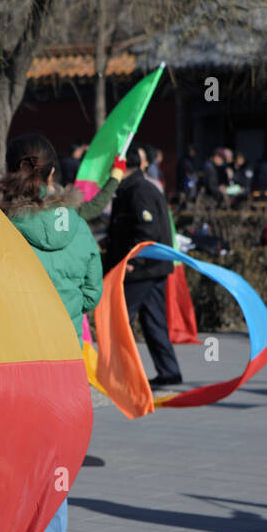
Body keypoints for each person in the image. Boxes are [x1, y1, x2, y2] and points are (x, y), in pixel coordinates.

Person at [0, 133, 101, 532]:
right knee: (52, 462)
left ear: (10, 170)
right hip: (62, 362)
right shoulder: (78, 226)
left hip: (11, 360)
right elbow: (91, 292)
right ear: (54, 174)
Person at [106, 143, 183, 387]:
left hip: (142, 270)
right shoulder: (130, 189)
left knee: (117, 321)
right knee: (153, 322)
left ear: (119, 167)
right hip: (148, 268)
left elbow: (147, 230)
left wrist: (133, 260)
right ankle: (169, 372)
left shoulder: (138, 190)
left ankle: (120, 376)